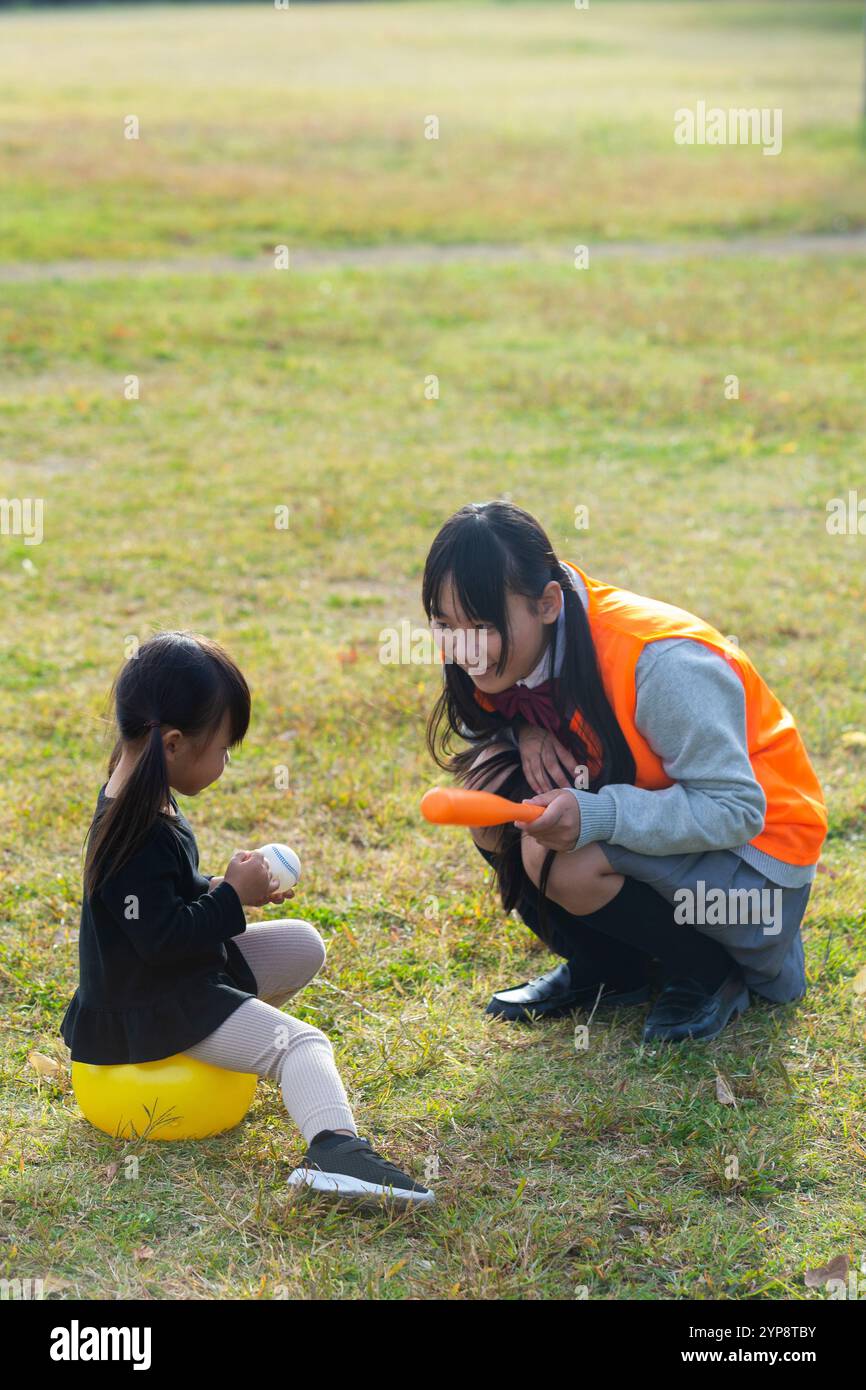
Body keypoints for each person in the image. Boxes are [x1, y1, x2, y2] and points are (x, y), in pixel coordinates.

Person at [422, 501, 827, 1043]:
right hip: (679, 830)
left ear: (546, 604)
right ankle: (612, 971)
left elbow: (736, 809)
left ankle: (711, 971)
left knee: (556, 856)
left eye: (479, 625)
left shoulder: (661, 661)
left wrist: (599, 815)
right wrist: (526, 731)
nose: (461, 647)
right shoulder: (522, 645)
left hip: (757, 862)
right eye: (444, 625)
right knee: (492, 801)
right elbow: (492, 724)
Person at [60, 631, 433, 1206]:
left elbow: (157, 906)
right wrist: (231, 897)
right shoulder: (135, 829)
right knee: (303, 1045)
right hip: (153, 1004)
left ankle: (230, 1040)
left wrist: (222, 890)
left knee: (302, 946)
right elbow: (162, 941)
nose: (227, 762)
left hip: (169, 978)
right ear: (176, 744)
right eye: (224, 748)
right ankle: (335, 1153)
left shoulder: (139, 791)